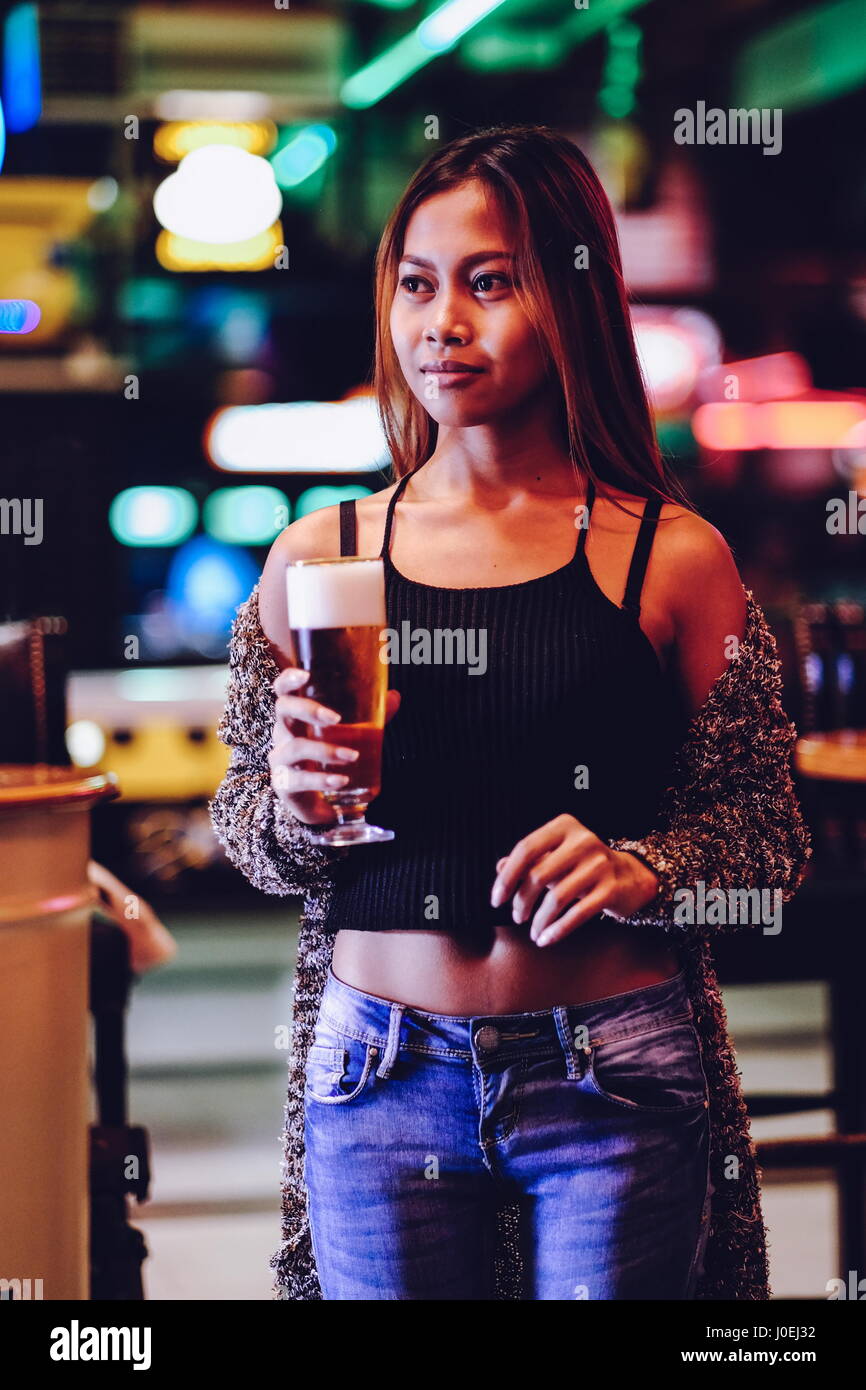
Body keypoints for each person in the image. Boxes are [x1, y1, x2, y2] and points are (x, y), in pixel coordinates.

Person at [210, 125, 811, 1300]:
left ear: (572, 296)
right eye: (417, 285)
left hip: (613, 1074)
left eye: (490, 282)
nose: (442, 323)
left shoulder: (672, 558)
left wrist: (643, 866)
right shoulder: (317, 554)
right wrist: (283, 804)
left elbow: (768, 840)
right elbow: (243, 830)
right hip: (378, 1076)